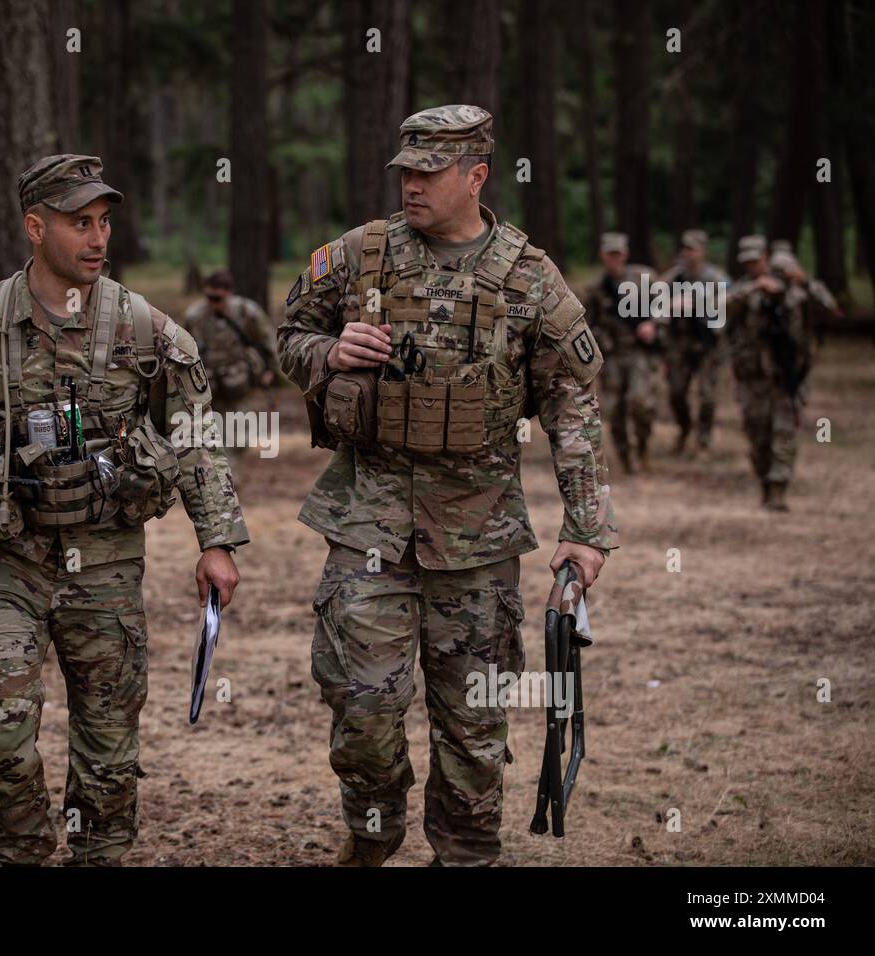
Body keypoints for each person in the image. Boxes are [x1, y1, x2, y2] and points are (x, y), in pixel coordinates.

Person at [0, 154, 248, 866]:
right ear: (35, 227)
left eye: (104, 222)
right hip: (10, 558)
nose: (98, 238)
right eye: (80, 224)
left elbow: (196, 437)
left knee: (108, 749)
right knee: (3, 733)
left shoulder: (144, 330)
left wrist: (217, 539)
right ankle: (20, 850)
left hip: (105, 561)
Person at [278, 105, 618, 867]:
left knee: (474, 721)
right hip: (368, 525)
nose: (413, 185)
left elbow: (573, 402)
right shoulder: (359, 256)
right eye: (406, 171)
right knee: (361, 707)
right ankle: (373, 832)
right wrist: (330, 354)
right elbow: (288, 338)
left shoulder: (528, 278)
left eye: (430, 172)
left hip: (476, 535)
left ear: (477, 176)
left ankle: (465, 853)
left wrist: (588, 527)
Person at [725, 237, 822, 511]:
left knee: (784, 432)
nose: (752, 265)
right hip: (752, 377)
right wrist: (754, 288)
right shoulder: (744, 289)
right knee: (757, 435)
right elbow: (718, 308)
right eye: (747, 262)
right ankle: (765, 482)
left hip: (786, 378)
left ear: (765, 258)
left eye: (756, 260)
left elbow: (829, 309)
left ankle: (779, 491)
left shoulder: (795, 289)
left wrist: (804, 282)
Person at [582, 232, 662, 472]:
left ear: (625, 255)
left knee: (641, 402)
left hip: (639, 353)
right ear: (603, 256)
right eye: (609, 254)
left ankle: (643, 446)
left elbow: (664, 305)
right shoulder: (597, 288)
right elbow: (585, 323)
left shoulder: (643, 279)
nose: (614, 259)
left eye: (618, 254)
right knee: (614, 408)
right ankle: (626, 456)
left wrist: (653, 324)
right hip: (612, 355)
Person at [659, 229, 729, 455]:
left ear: (703, 251)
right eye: (685, 249)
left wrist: (699, 304)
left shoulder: (716, 278)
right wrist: (670, 305)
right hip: (680, 344)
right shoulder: (674, 277)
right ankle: (685, 428)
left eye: (693, 249)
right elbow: (652, 300)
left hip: (707, 344)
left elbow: (730, 305)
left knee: (707, 396)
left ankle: (703, 440)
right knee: (676, 392)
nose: (688, 253)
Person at [181, 270, 280, 413]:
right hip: (206, 383)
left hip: (238, 381)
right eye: (209, 297)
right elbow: (182, 348)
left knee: (239, 428)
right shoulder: (194, 316)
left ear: (229, 293)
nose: (212, 303)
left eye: (217, 299)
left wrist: (270, 370)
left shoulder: (246, 312)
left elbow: (268, 339)